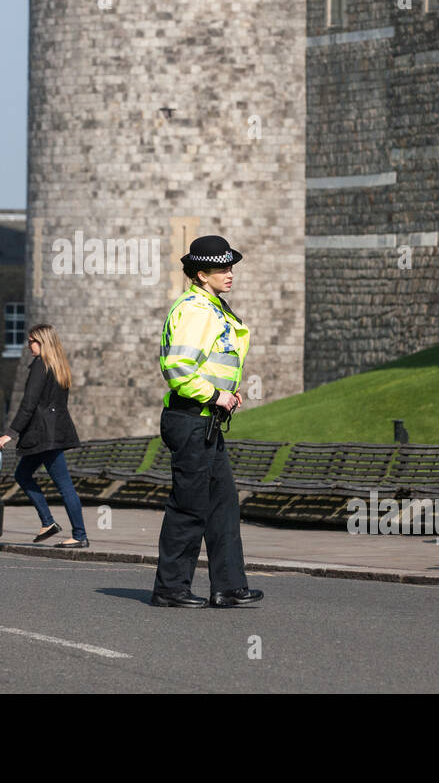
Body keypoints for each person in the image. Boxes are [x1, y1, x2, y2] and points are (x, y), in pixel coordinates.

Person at [151, 235, 262, 609]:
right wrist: (215, 395)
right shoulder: (197, 310)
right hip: (191, 419)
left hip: (206, 420)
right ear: (201, 273)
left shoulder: (213, 307)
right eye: (221, 269)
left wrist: (226, 393)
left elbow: (211, 364)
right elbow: (178, 368)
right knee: (190, 505)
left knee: (223, 504)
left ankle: (228, 587)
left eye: (230, 267)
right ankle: (171, 589)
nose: (229, 274)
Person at [0, 324, 86, 547]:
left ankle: (80, 535)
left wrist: (11, 433)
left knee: (64, 485)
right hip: (52, 431)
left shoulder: (41, 365)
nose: (28, 346)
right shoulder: (59, 365)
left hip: (45, 435)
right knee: (23, 475)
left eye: (32, 342)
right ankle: (48, 522)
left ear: (43, 342)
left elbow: (29, 404)